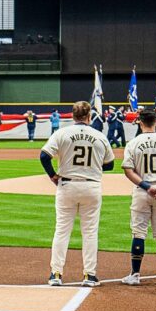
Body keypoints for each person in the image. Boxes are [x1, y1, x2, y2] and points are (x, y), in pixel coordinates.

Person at [38, 99, 112, 286]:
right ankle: (89, 275)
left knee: (62, 231)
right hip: (91, 187)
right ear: (89, 116)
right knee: (90, 232)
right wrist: (93, 165)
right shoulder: (99, 136)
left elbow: (44, 156)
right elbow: (110, 164)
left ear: (73, 115)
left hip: (67, 185)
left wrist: (52, 175)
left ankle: (56, 274)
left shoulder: (61, 133)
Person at [120, 106, 156, 284]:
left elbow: (128, 170)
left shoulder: (133, 143)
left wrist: (146, 185)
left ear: (140, 123)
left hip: (142, 189)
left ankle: (135, 275)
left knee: (139, 232)